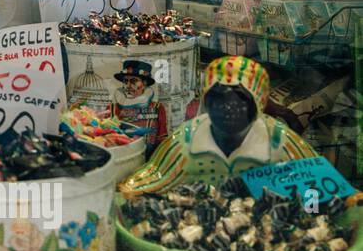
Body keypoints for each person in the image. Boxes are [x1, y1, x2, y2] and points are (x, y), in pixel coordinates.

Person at [120, 56, 317, 196]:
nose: (227, 108)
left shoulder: (279, 140)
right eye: (217, 97)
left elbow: (318, 190)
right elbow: (143, 185)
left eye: (240, 99)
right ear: (206, 100)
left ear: (258, 102)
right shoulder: (184, 142)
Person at [109, 58, 167, 149]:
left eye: (133, 81)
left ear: (144, 84)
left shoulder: (157, 107)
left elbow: (162, 140)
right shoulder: (112, 108)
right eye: (125, 81)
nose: (128, 86)